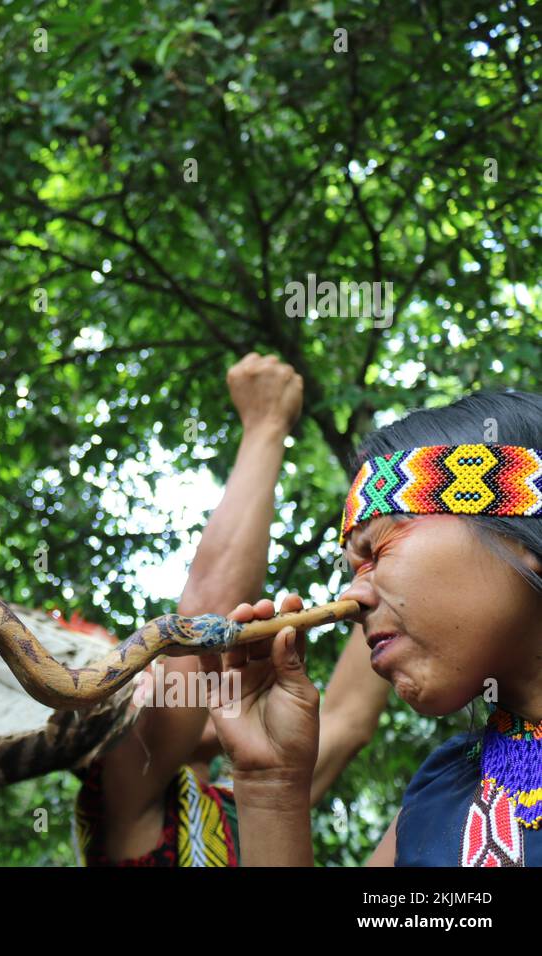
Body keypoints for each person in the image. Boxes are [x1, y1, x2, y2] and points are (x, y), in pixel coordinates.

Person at [75, 352, 390, 866]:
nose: (177, 678)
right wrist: (266, 424)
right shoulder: (115, 797)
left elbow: (348, 719)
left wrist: (384, 576)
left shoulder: (257, 797)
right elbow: (204, 618)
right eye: (160, 674)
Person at [205, 390, 542, 866]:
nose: (352, 597)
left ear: (522, 531)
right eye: (351, 571)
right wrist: (270, 784)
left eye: (377, 551)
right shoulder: (439, 792)